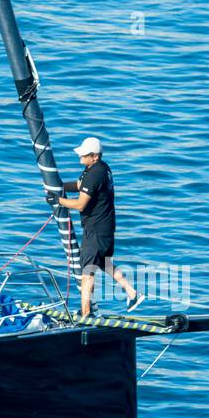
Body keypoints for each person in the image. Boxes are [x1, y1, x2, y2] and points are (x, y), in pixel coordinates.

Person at [53, 136, 145, 317]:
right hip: (106, 228)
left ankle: (86, 314)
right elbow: (80, 185)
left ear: (94, 156)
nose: (80, 156)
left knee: (87, 271)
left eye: (84, 154)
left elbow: (81, 204)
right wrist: (59, 187)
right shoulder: (100, 169)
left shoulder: (95, 173)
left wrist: (58, 201)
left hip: (95, 230)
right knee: (105, 263)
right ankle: (133, 293)